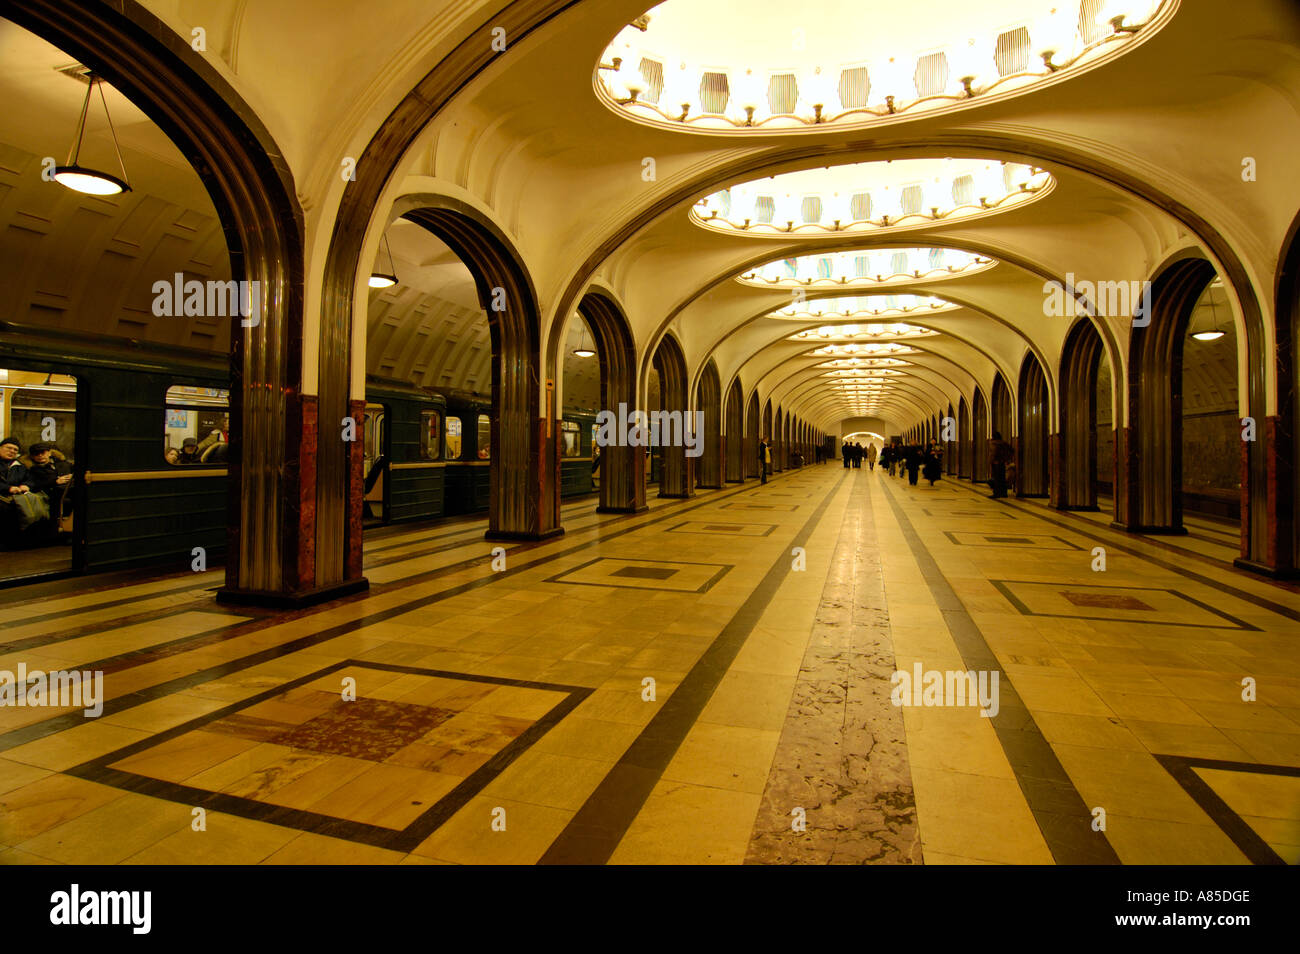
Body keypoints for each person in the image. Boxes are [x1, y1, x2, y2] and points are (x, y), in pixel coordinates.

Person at [989, 431, 1014, 499]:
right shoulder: (1004, 443)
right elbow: (1011, 450)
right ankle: (1004, 493)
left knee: (996, 479)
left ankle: (996, 493)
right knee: (1002, 478)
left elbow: (993, 454)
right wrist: (1007, 459)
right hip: (1002, 463)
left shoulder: (993, 444)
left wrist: (991, 461)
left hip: (995, 463)